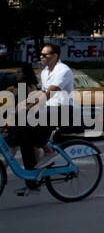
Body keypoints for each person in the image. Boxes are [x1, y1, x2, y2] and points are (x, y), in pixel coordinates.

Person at [14, 44, 74, 196]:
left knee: (29, 125)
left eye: (44, 55)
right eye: (40, 54)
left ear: (55, 56)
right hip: (47, 109)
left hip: (62, 109)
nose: (41, 57)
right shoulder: (45, 71)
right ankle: (32, 183)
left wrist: (28, 105)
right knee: (24, 138)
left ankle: (49, 150)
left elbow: (49, 93)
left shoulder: (63, 70)